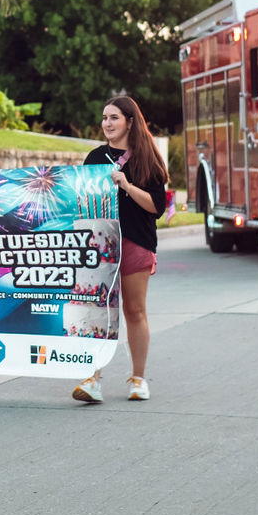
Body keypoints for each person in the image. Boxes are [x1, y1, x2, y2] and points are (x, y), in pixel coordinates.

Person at [73, 95, 169, 405]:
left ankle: (138, 379)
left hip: (136, 242)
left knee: (134, 310)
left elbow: (156, 206)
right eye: (104, 118)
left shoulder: (147, 159)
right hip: (100, 242)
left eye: (113, 117)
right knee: (98, 311)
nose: (107, 124)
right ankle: (92, 379)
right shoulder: (95, 157)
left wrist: (126, 185)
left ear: (129, 121)